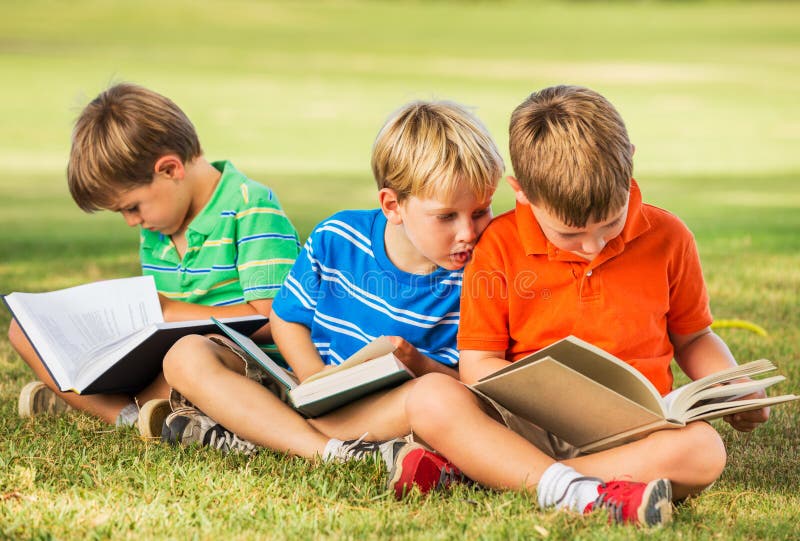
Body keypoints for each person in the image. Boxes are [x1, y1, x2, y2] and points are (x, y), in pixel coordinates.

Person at [391, 85, 770, 526]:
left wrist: (731, 387)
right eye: (569, 234)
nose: (592, 246)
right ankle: (576, 487)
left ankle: (497, 473)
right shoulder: (498, 246)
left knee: (705, 451)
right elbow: (478, 364)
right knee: (434, 398)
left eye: (610, 225)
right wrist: (557, 398)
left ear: (629, 159)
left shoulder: (669, 237)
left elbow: (695, 337)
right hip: (526, 422)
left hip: (631, 431)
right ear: (521, 192)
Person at [157, 100, 504, 474]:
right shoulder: (338, 236)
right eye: (446, 217)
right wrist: (313, 381)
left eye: (481, 211)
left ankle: (262, 435)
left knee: (437, 400)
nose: (468, 232)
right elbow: (286, 318)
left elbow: (471, 389)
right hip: (307, 389)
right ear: (392, 205)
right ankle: (329, 451)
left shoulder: (482, 271)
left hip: (389, 411)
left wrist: (418, 364)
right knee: (186, 353)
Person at [10, 83, 300, 433]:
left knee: (191, 353)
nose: (132, 221)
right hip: (167, 359)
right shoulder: (158, 229)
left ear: (170, 169)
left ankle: (113, 407)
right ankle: (132, 411)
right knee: (25, 330)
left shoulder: (251, 208)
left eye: (132, 207)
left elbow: (275, 321)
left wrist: (168, 311)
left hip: (239, 361)